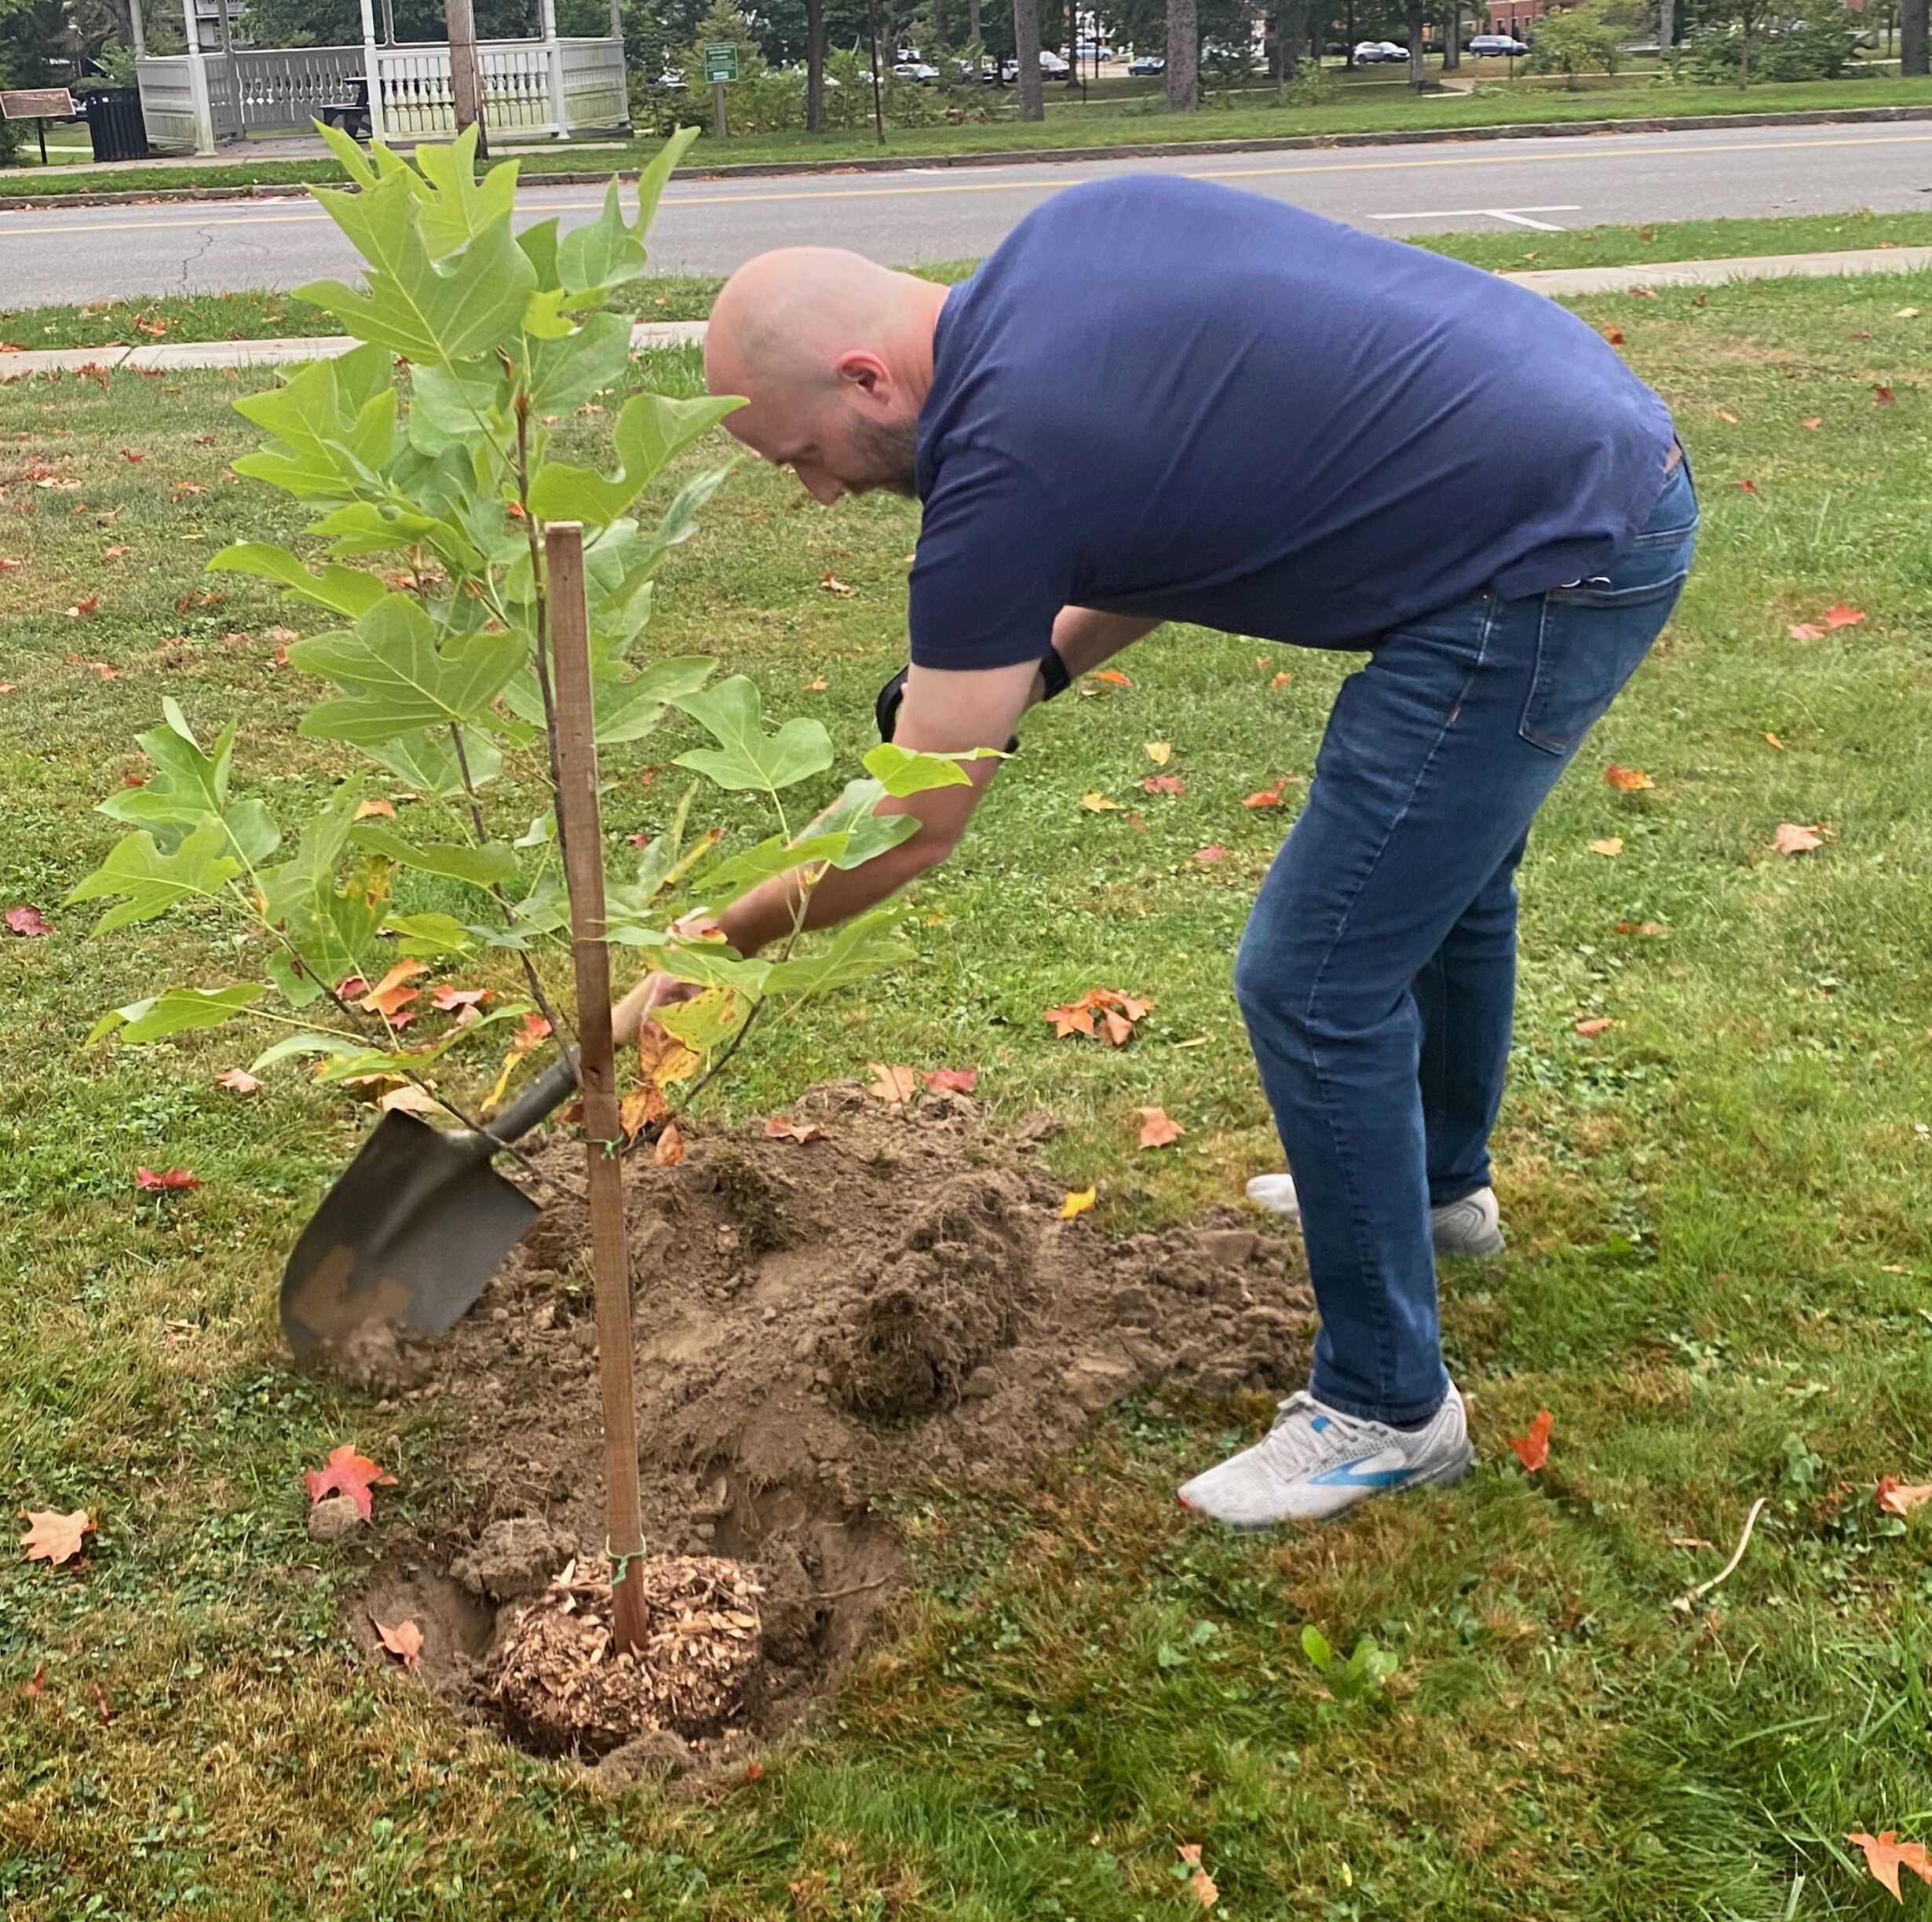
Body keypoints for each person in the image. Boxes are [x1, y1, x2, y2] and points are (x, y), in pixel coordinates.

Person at [695, 175, 1696, 1530]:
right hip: (1583, 453)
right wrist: (1031, 669)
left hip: (1539, 557)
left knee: (1314, 976)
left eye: (798, 456)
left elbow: (916, 824)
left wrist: (707, 949)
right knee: (1444, 891)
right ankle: (1442, 1190)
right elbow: (1157, 524)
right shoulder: (1058, 257)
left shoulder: (998, 461)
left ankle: (1386, 1407)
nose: (813, 495)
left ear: (867, 378)